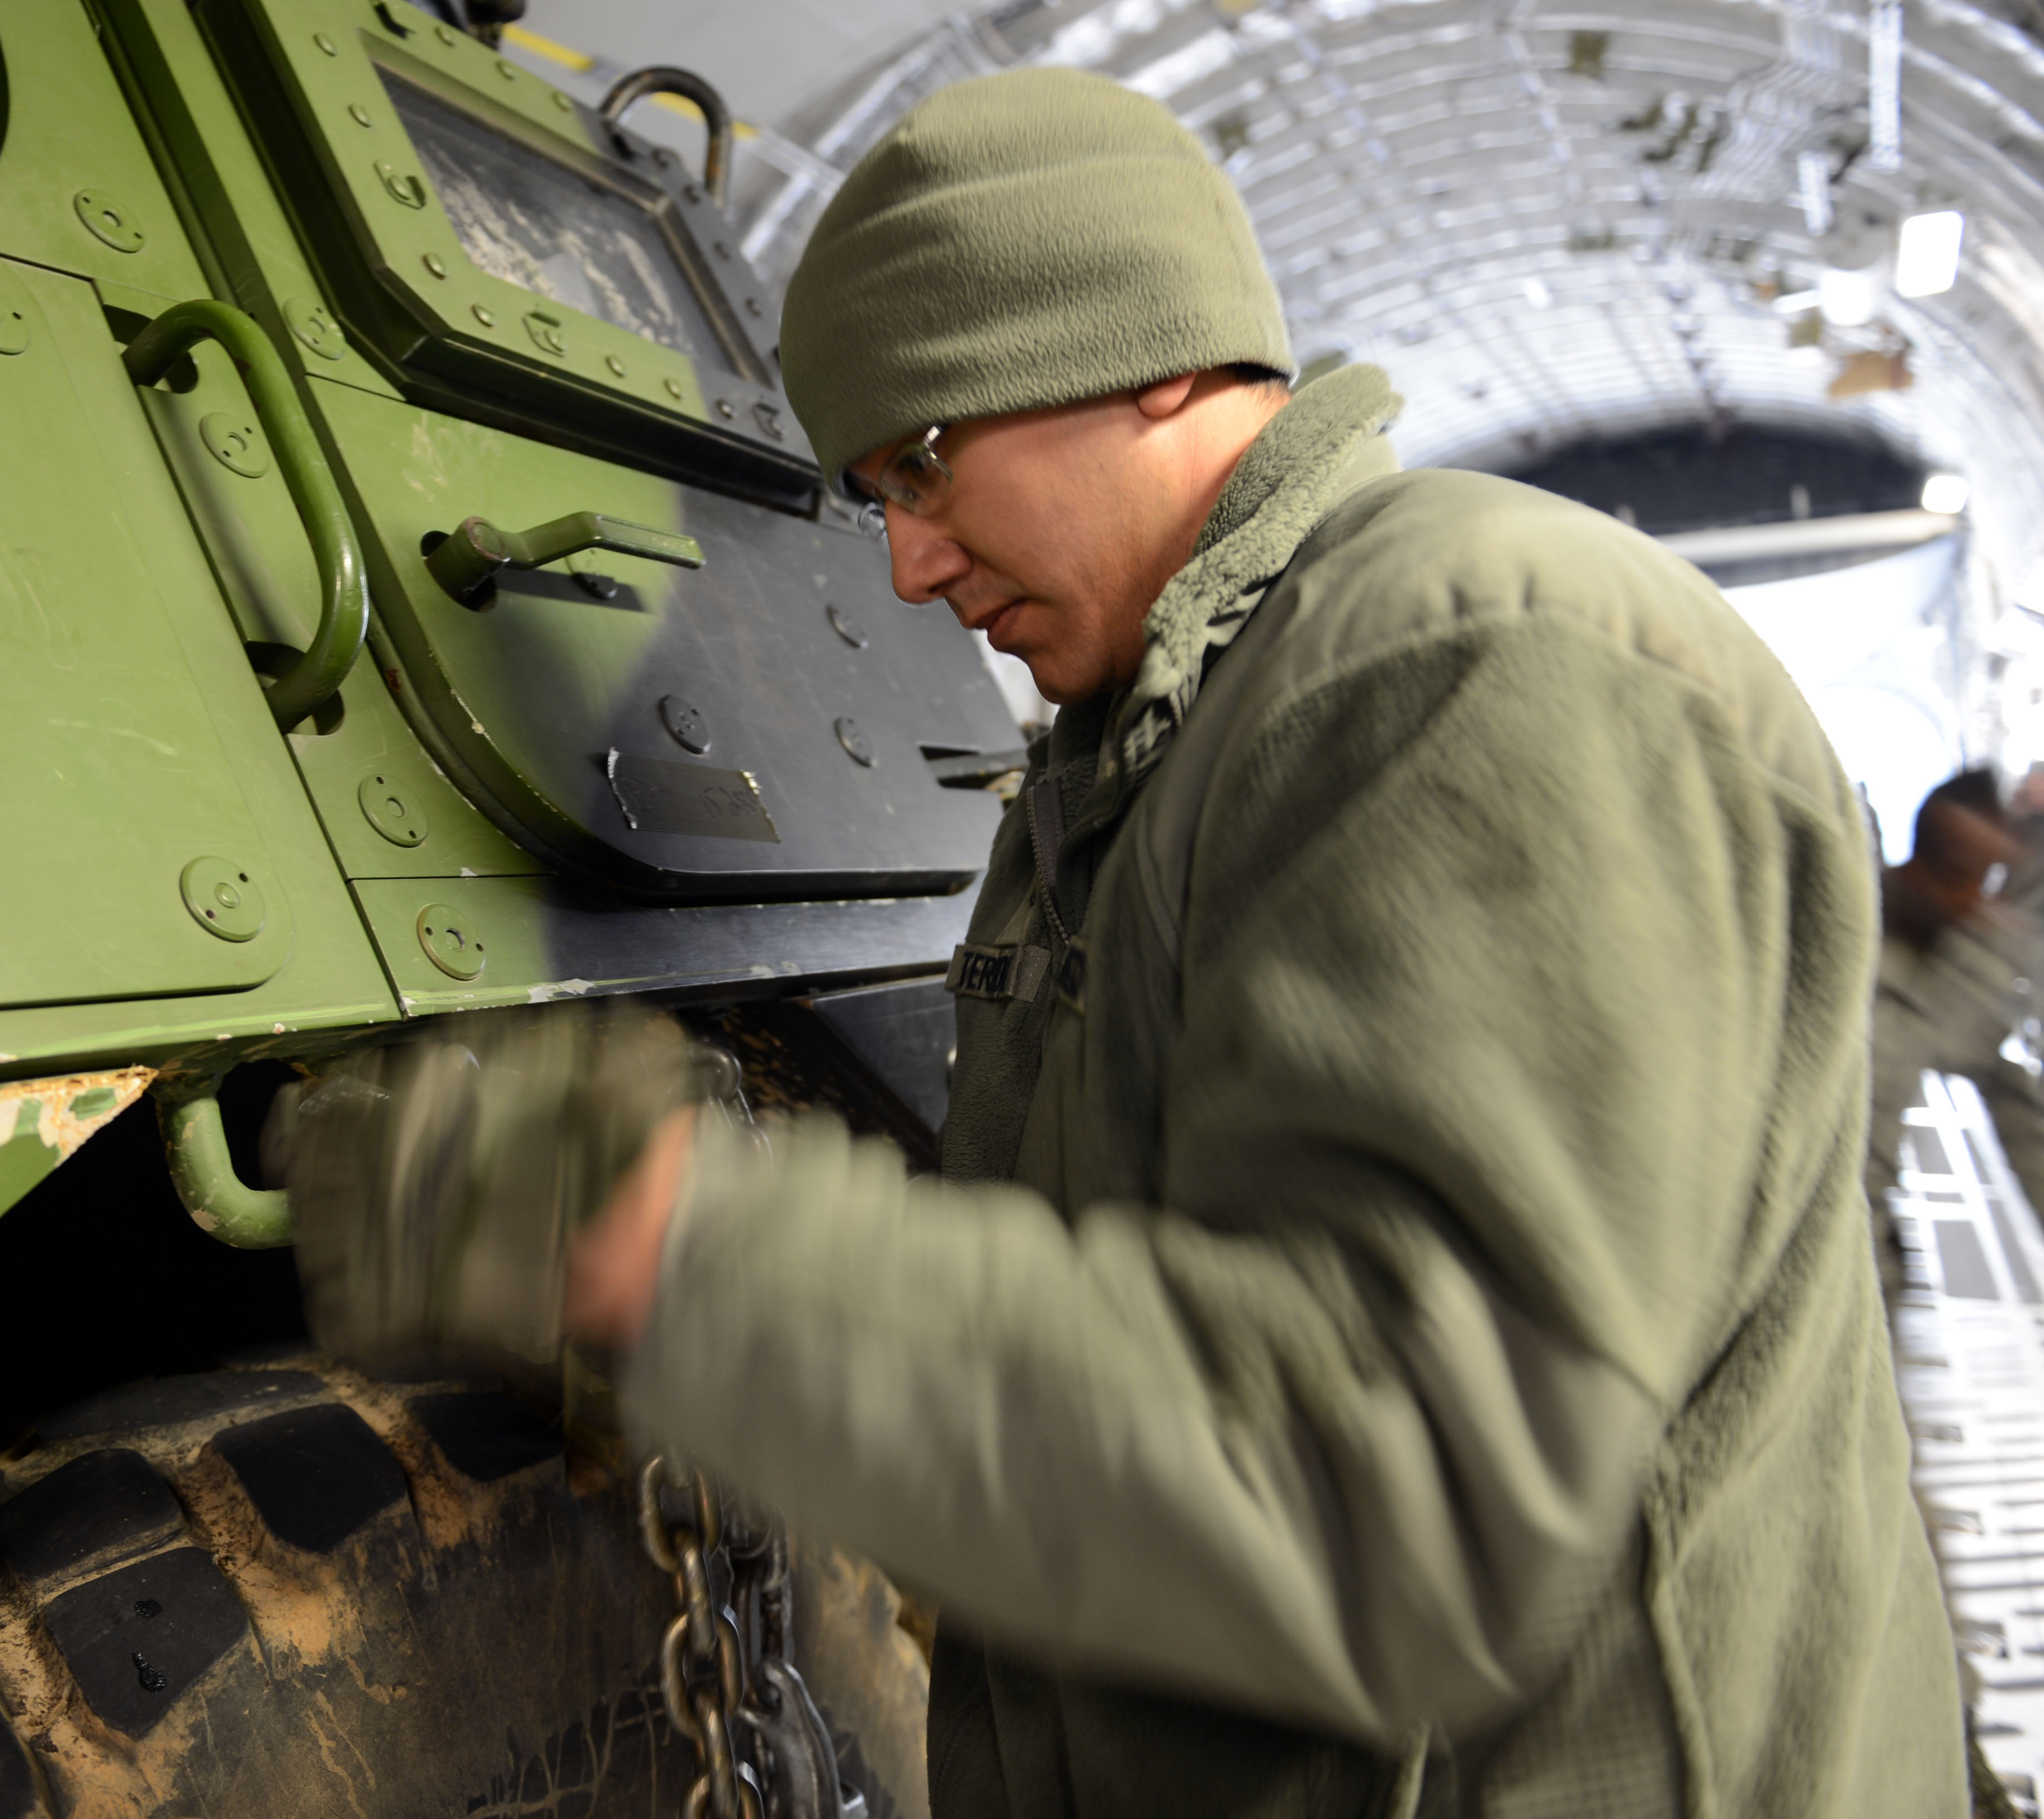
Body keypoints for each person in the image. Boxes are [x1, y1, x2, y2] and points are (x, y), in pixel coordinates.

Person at [563, 68, 1961, 1817]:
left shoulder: (1468, 668)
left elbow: (1391, 1482)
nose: (909, 566)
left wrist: (702, 1263)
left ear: (1143, 350)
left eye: (925, 462)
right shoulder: (1128, 758)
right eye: (873, 496)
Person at [1870, 766, 2044, 1297]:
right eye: (1960, 875)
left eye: (1989, 879)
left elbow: (2024, 1119)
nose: (1975, 899)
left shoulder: (1972, 953)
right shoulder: (1855, 946)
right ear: (1922, 857)